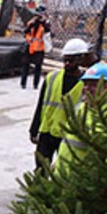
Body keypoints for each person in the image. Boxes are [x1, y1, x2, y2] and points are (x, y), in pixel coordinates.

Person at [28, 38, 88, 170]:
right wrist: (34, 129)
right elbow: (40, 104)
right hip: (47, 131)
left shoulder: (86, 84)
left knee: (63, 169)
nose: (67, 64)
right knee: (41, 168)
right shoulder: (52, 77)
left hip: (68, 135)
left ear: (80, 59)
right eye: (65, 60)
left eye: (71, 61)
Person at [21, 8, 50, 90]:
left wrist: (43, 23)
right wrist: (31, 26)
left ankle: (35, 84)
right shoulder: (31, 22)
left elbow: (48, 32)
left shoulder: (45, 24)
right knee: (25, 65)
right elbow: (26, 32)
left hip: (39, 49)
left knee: (38, 67)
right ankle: (23, 83)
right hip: (30, 47)